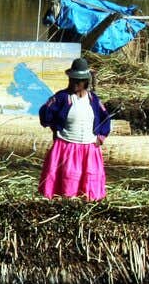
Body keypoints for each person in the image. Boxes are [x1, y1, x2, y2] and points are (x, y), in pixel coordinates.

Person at [37, 57, 112, 200]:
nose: (74, 83)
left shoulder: (93, 100)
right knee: (67, 182)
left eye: (78, 81)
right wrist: (55, 128)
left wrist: (101, 137)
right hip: (66, 147)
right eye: (72, 80)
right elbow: (45, 114)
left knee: (89, 186)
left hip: (89, 149)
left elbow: (105, 118)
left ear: (85, 82)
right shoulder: (62, 97)